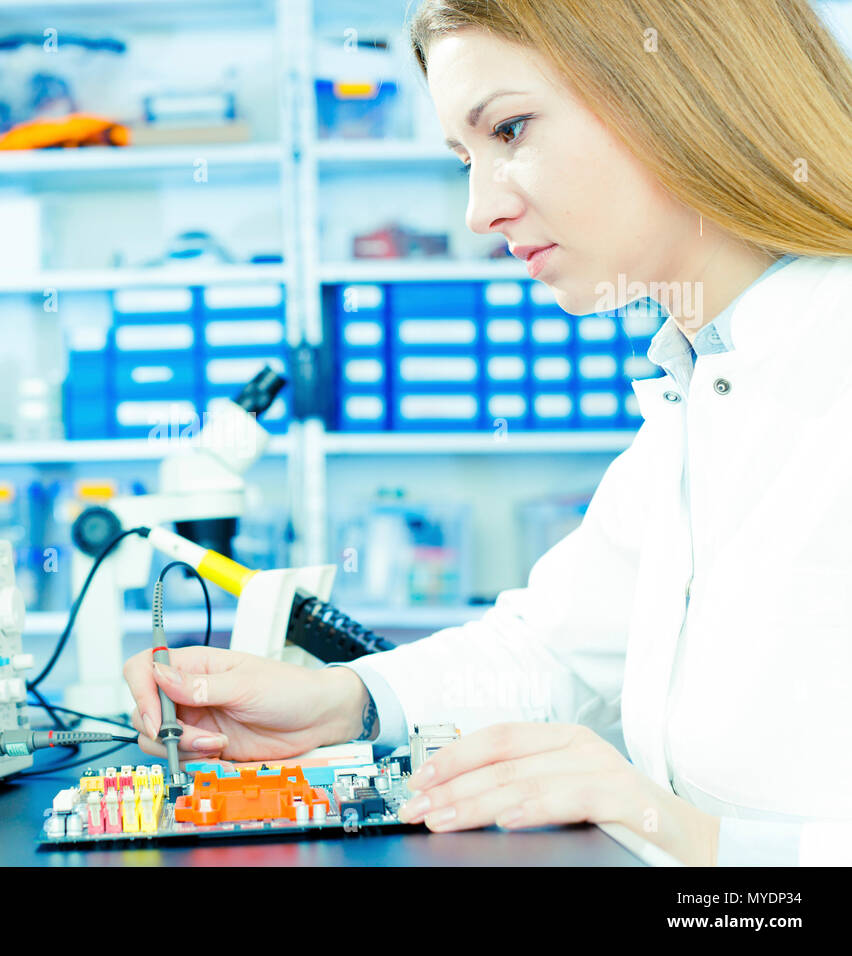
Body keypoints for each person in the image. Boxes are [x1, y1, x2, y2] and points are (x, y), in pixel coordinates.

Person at [123, 0, 852, 866]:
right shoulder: (701, 379)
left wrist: (695, 843)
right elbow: (559, 648)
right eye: (466, 157)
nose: (478, 212)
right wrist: (345, 699)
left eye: (510, 129)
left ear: (680, 87)